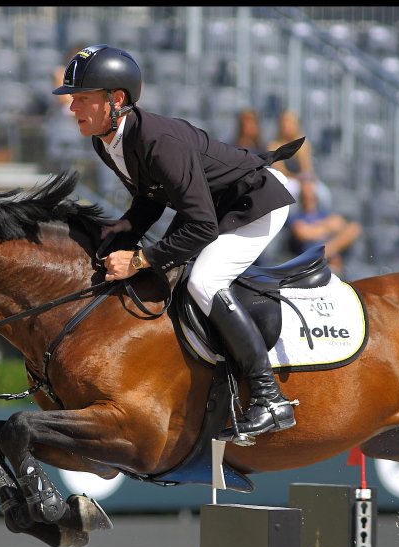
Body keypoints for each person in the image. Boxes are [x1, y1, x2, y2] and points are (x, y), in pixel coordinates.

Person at [54, 44, 304, 438]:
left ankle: (269, 398)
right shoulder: (106, 140)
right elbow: (151, 197)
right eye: (73, 98)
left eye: (82, 98)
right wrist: (122, 231)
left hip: (254, 201)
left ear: (115, 99)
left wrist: (138, 261)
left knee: (204, 282)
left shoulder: (158, 140)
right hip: (213, 206)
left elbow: (201, 227)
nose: (72, 108)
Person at [288, 174, 361, 276]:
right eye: (305, 189)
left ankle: (326, 256)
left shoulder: (325, 214)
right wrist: (328, 226)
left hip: (328, 256)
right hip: (311, 260)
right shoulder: (296, 217)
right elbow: (303, 233)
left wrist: (317, 228)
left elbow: (350, 228)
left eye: (310, 188)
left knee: (353, 227)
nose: (308, 192)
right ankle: (326, 259)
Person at [267, 109, 331, 209]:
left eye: (290, 123)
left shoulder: (303, 144)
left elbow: (307, 169)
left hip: (302, 180)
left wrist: (306, 182)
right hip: (286, 180)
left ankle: (317, 218)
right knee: (291, 189)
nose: (287, 126)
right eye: (284, 123)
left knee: (323, 192)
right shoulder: (274, 145)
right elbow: (280, 172)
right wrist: (299, 179)